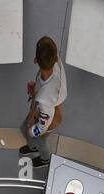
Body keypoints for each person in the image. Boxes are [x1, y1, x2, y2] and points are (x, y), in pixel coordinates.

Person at [19, 36, 66, 168]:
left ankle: (44, 159)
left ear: (35, 60)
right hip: (51, 102)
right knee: (26, 129)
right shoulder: (55, 60)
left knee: (38, 138)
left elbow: (41, 128)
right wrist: (36, 87)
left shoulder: (45, 100)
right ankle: (32, 146)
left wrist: (30, 131)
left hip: (52, 115)